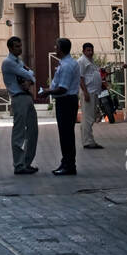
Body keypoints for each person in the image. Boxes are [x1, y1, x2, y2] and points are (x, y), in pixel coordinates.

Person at [37, 38, 80, 175]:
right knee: (66, 133)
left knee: (66, 134)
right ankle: (66, 162)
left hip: (66, 101)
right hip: (67, 100)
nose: (55, 48)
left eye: (56, 46)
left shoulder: (67, 65)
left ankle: (69, 165)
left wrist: (47, 91)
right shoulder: (67, 63)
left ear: (61, 49)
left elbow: (63, 88)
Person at [1, 36, 39, 175]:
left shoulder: (19, 61)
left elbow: (32, 75)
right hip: (18, 98)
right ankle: (19, 164)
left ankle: (26, 162)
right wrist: (29, 77)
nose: (20, 48)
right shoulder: (8, 62)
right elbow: (26, 73)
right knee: (19, 133)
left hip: (27, 97)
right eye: (17, 46)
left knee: (33, 131)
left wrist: (29, 80)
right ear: (10, 48)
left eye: (20, 46)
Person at [77, 41, 104, 149]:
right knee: (88, 117)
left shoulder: (91, 61)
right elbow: (81, 78)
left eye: (91, 50)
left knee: (91, 117)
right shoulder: (81, 61)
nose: (90, 52)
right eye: (88, 50)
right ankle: (88, 141)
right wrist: (85, 92)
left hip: (94, 91)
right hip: (88, 92)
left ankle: (88, 139)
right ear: (83, 51)